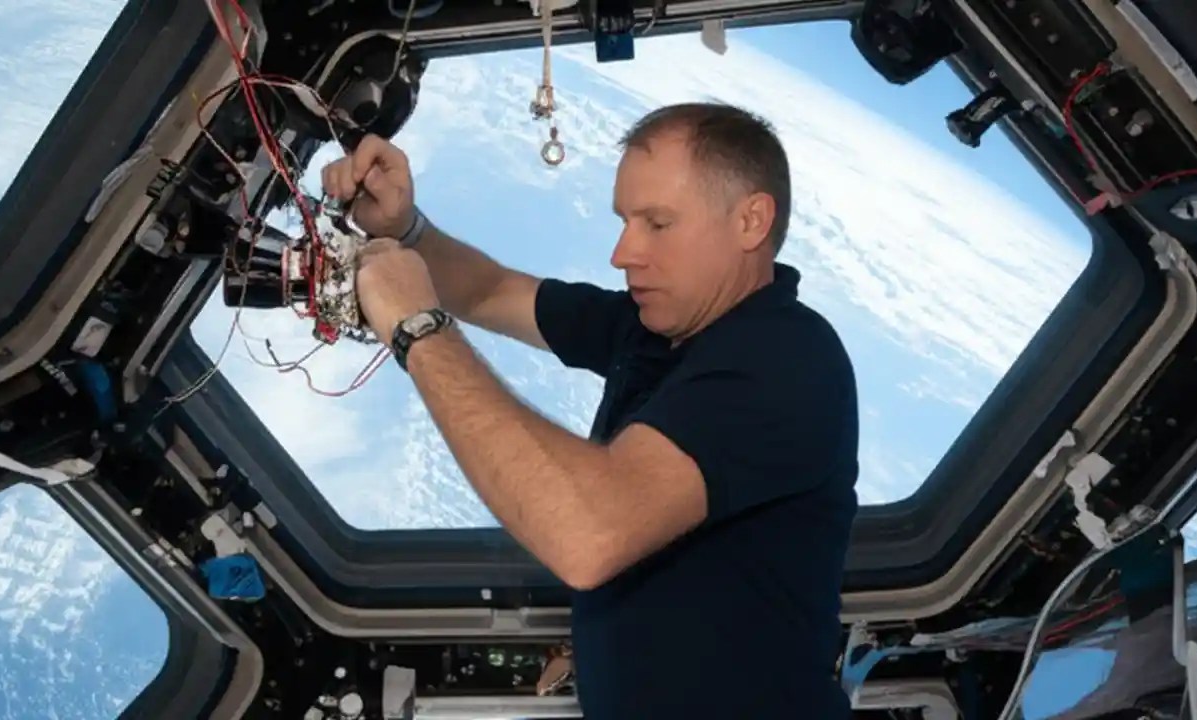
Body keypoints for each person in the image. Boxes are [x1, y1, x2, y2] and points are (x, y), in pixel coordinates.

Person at [321, 101, 860, 719]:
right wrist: (406, 229)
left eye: (657, 224)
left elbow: (588, 533)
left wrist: (416, 328)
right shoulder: (655, 328)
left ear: (751, 221)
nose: (622, 253)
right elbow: (491, 290)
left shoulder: (785, 358)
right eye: (624, 221)